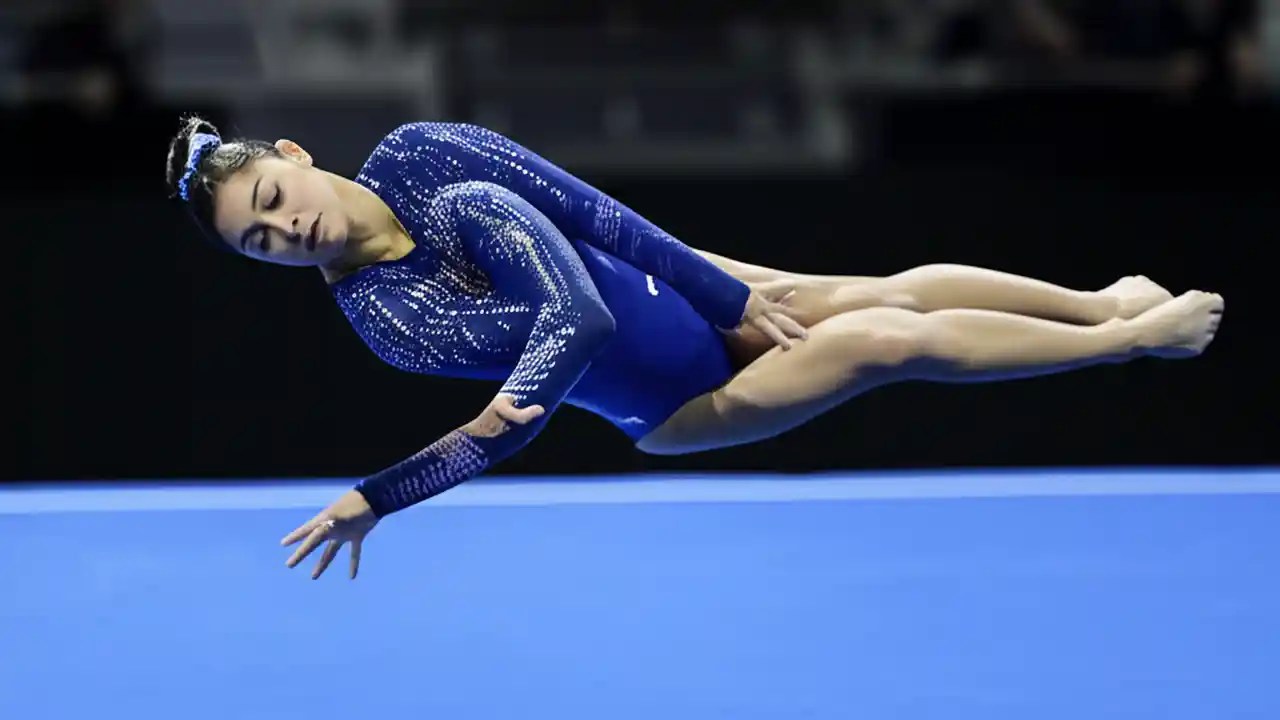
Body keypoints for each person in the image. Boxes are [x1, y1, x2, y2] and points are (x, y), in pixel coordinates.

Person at [164, 116, 1223, 580]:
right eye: (257, 241)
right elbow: (573, 329)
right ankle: (1131, 341)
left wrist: (729, 292)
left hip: (685, 286)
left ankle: (1092, 303)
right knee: (883, 338)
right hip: (678, 400)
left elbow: (597, 213)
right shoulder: (382, 316)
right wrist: (377, 495)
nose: (283, 227)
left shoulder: (419, 151)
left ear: (294, 157)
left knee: (881, 288)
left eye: (271, 197)